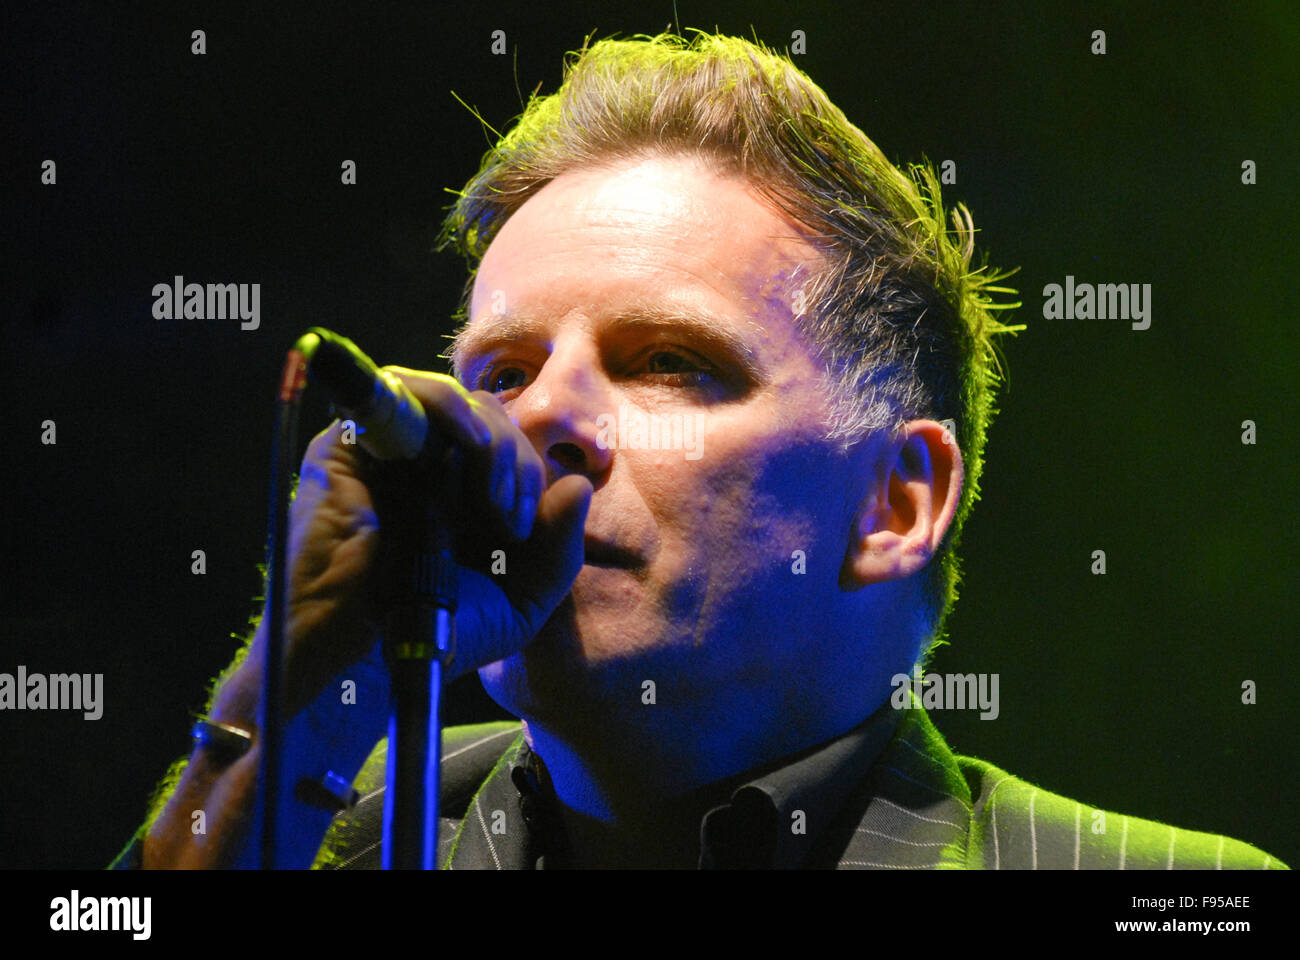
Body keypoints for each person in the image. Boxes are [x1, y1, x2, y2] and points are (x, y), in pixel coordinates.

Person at [110, 31, 1286, 870]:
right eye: (500, 374)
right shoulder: (316, 831)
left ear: (895, 501)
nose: (538, 419)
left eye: (669, 360)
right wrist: (297, 695)